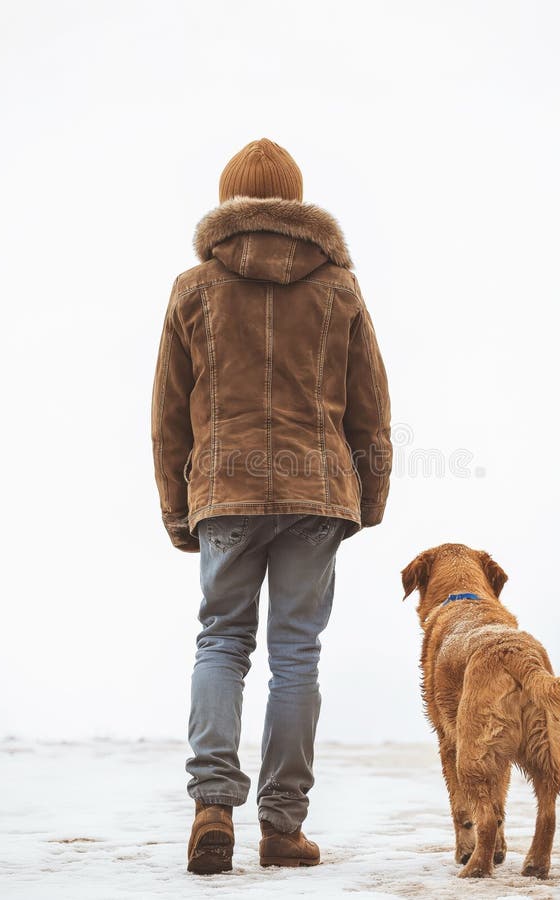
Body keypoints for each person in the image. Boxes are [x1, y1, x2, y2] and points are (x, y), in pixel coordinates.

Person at [150, 138, 392, 874]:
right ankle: (283, 828)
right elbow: (371, 410)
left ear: (230, 204)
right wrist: (368, 498)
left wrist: (176, 510)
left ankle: (212, 807)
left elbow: (167, 416)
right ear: (294, 202)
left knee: (221, 642)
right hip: (316, 493)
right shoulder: (339, 288)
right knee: (296, 657)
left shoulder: (192, 289)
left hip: (223, 491)